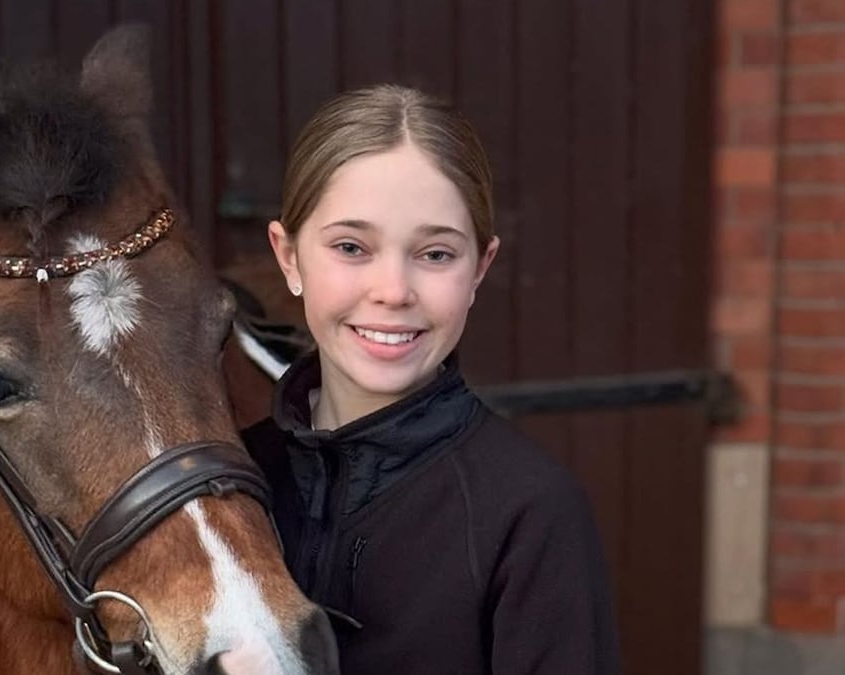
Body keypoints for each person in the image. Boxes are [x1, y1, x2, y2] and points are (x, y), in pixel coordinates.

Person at [242, 84, 621, 674]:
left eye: (436, 254)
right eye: (351, 247)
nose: (393, 291)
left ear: (480, 267)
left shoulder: (532, 513)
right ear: (289, 256)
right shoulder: (231, 484)